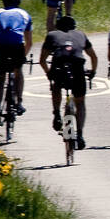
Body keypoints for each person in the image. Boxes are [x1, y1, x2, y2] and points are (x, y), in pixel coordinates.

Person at [40, 13, 98, 149]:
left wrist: (49, 74)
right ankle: (80, 134)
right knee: (80, 102)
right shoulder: (81, 34)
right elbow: (93, 56)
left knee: (56, 87)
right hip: (77, 67)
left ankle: (56, 114)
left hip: (59, 65)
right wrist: (93, 71)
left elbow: (42, 60)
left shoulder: (52, 35)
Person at [0, 0, 32, 124]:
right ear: (18, 2)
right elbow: (29, 42)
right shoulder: (24, 14)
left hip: (1, 47)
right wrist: (23, 56)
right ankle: (19, 102)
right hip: (17, 47)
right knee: (18, 72)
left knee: (0, 78)